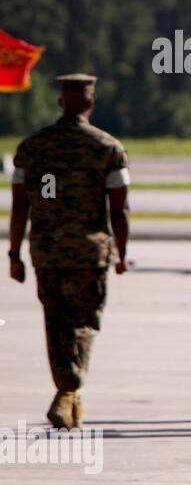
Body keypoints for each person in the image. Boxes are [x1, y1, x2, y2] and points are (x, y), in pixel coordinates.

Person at [9, 74, 130, 429]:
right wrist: (122, 253)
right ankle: (69, 390)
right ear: (92, 102)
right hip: (89, 253)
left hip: (47, 250)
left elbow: (20, 206)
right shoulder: (107, 148)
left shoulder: (33, 147)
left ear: (61, 102)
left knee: (56, 322)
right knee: (84, 322)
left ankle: (69, 395)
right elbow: (119, 209)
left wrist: (14, 253)